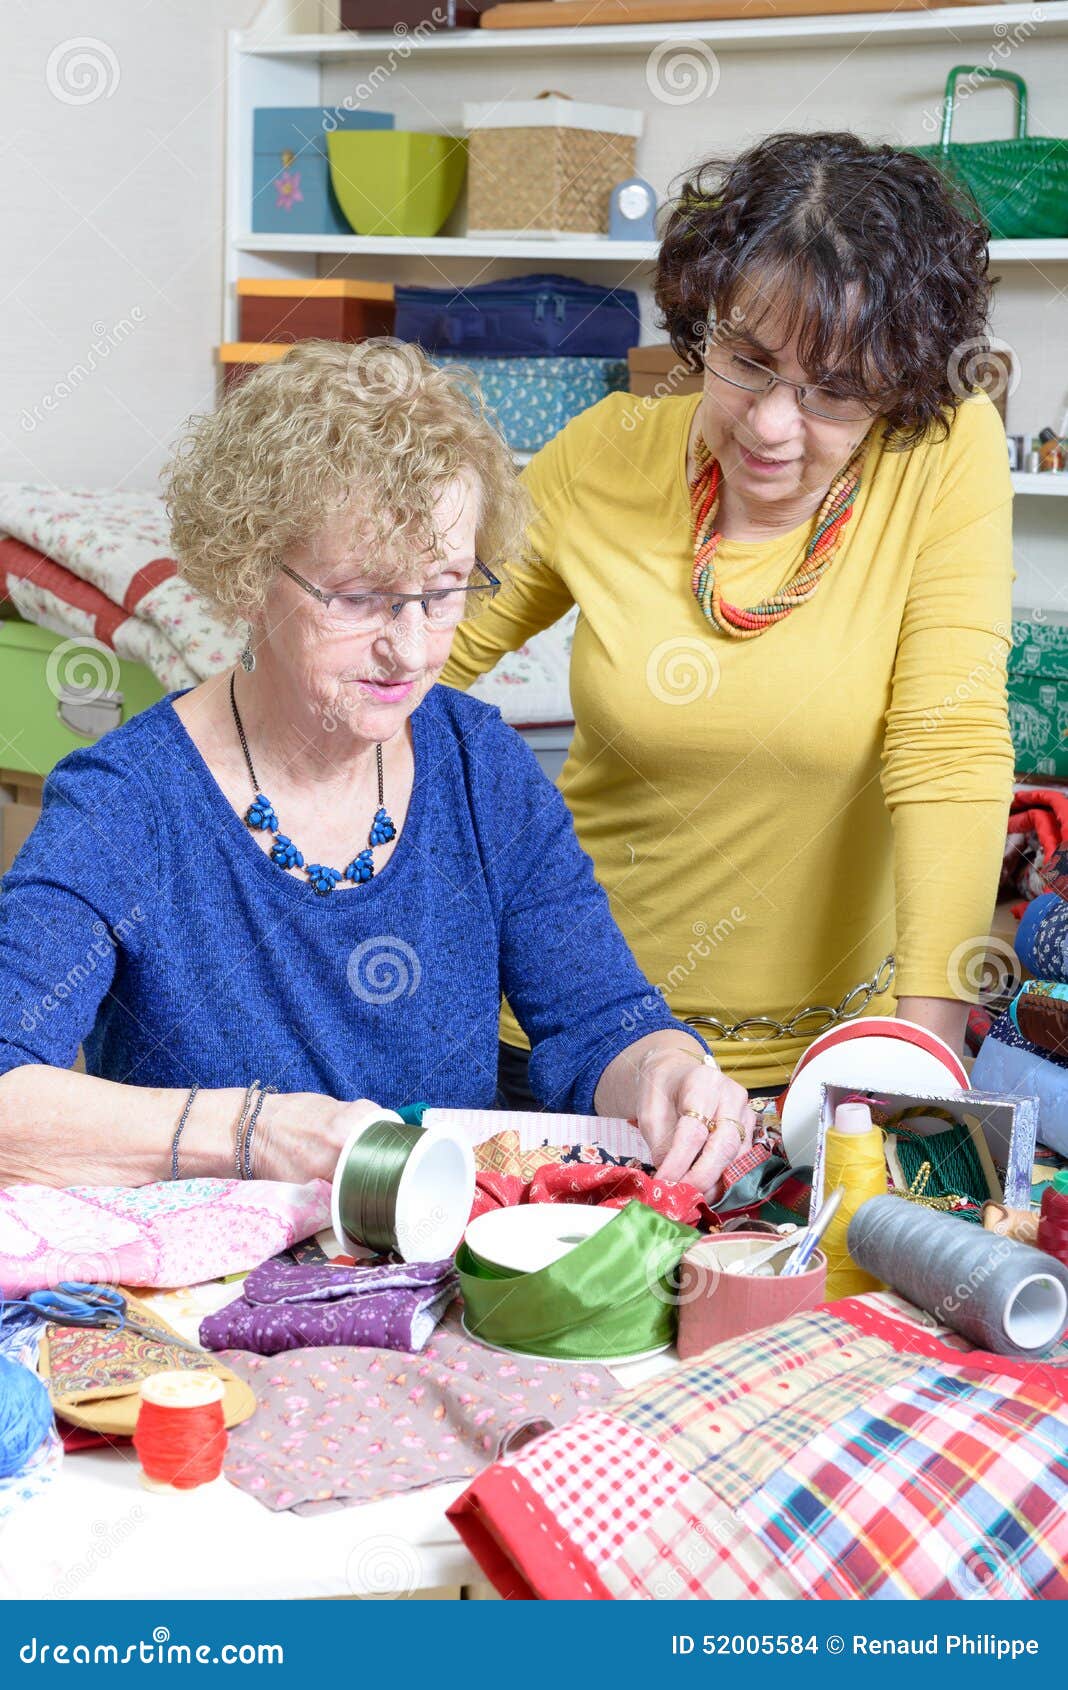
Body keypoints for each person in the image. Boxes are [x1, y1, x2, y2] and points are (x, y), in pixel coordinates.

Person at [0, 341, 757, 1195]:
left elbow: (598, 1021)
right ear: (250, 573)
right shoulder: (128, 805)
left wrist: (665, 1069)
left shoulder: (480, 771)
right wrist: (256, 1133)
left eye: (442, 591)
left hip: (434, 1290)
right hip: (198, 1304)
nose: (409, 647)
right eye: (360, 597)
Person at [442, 130, 1014, 1104]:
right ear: (703, 317)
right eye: (746, 361)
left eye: (834, 391)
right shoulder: (604, 456)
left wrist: (916, 1072)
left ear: (903, 384)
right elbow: (423, 656)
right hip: (579, 1048)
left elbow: (948, 745)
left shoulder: (943, 451)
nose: (771, 424)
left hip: (831, 1068)